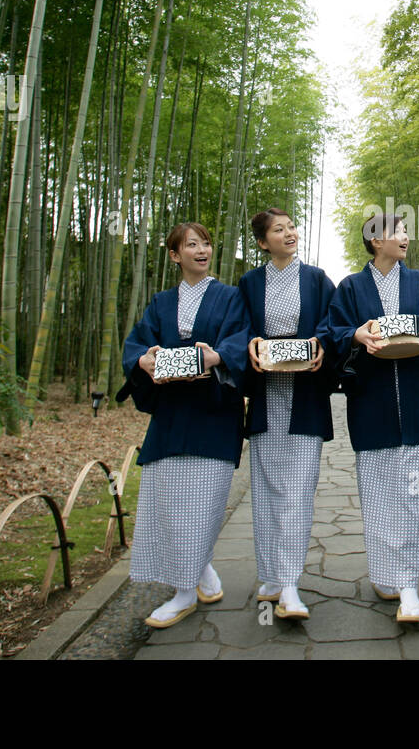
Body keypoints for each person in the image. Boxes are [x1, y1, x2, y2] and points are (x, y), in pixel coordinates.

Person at [318, 213, 419, 625]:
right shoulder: (350, 287)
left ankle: (410, 585)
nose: (405, 238)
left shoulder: (418, 282)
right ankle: (386, 574)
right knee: (379, 494)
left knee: (414, 494)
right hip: (371, 404)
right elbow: (334, 333)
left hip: (416, 401)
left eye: (405, 231)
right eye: (397, 232)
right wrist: (356, 336)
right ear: (374, 240)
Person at [120, 222, 251, 629]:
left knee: (206, 503)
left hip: (213, 412)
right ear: (175, 255)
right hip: (172, 415)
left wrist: (216, 358)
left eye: (206, 243)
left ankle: (183, 592)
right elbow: (138, 345)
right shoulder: (161, 302)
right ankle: (197, 576)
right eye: (191, 245)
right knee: (167, 501)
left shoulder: (231, 297)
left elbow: (240, 341)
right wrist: (143, 360)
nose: (202, 250)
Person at [237, 208, 336, 620]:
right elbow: (239, 328)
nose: (290, 233)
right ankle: (273, 575)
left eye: (292, 226)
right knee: (267, 491)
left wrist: (320, 346)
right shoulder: (249, 282)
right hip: (267, 399)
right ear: (263, 242)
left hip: (304, 399)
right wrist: (251, 347)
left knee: (297, 492)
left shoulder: (315, 279)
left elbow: (335, 324)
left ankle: (291, 584)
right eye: (279, 230)